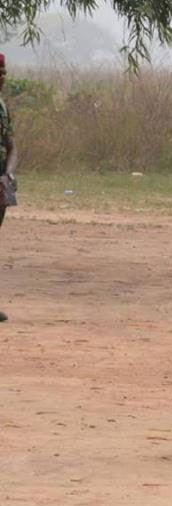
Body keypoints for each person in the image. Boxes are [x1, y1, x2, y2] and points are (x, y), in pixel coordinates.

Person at [0, 53, 19, 323]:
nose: (2, 77)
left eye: (3, 71)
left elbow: (12, 145)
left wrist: (8, 174)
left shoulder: (2, 107)